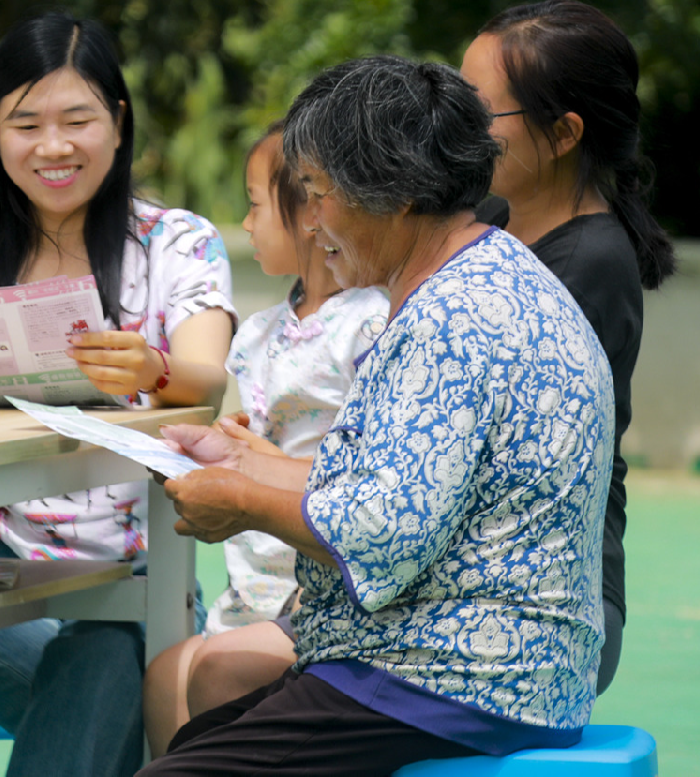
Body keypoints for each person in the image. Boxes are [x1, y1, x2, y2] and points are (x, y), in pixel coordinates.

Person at [148, 55, 613, 777]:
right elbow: (404, 484)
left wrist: (242, 501)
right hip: (469, 666)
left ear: (390, 195)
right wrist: (245, 459)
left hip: (452, 677)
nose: (314, 224)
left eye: (318, 195)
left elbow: (384, 536)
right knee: (192, 745)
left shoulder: (452, 316)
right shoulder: (479, 278)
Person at [0, 11, 237, 777]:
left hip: (137, 566)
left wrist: (152, 369)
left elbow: (206, 378)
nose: (53, 146)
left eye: (77, 120)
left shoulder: (177, 242)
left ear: (119, 123)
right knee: (74, 668)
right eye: (25, 123)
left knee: (99, 651)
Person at [141, 124, 387, 756]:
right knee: (166, 672)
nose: (245, 224)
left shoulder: (372, 322)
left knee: (219, 668)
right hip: (252, 582)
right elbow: (245, 435)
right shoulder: (257, 333)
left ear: (311, 211)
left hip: (326, 590)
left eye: (254, 203)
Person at [460, 0, 675, 693]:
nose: (456, 127)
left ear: (562, 134)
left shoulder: (589, 266)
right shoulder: (490, 221)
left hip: (549, 602)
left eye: (480, 112)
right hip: (474, 572)